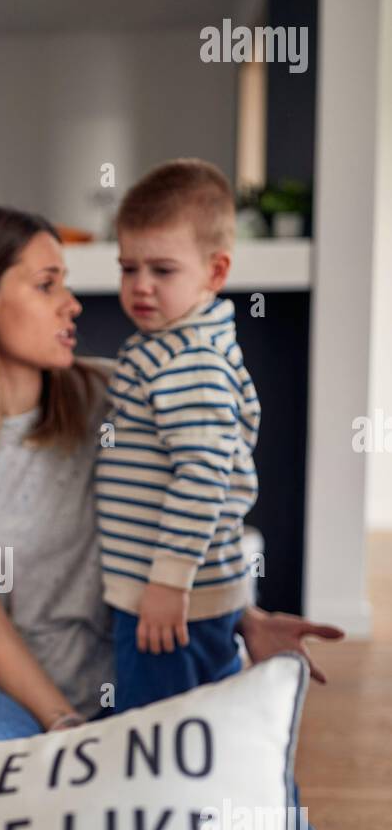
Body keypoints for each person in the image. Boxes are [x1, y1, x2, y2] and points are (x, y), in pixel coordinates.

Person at [0, 205, 346, 830]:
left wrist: (240, 617)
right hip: (7, 696)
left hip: (139, 675)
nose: (74, 304)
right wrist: (65, 728)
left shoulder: (115, 396)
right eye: (47, 283)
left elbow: (199, 508)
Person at [97, 159, 260, 711]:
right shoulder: (168, 345)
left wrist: (169, 583)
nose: (141, 286)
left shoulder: (190, 359)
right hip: (166, 592)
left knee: (158, 733)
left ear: (215, 272)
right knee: (191, 724)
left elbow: (203, 475)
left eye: (162, 271)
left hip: (169, 599)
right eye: (128, 268)